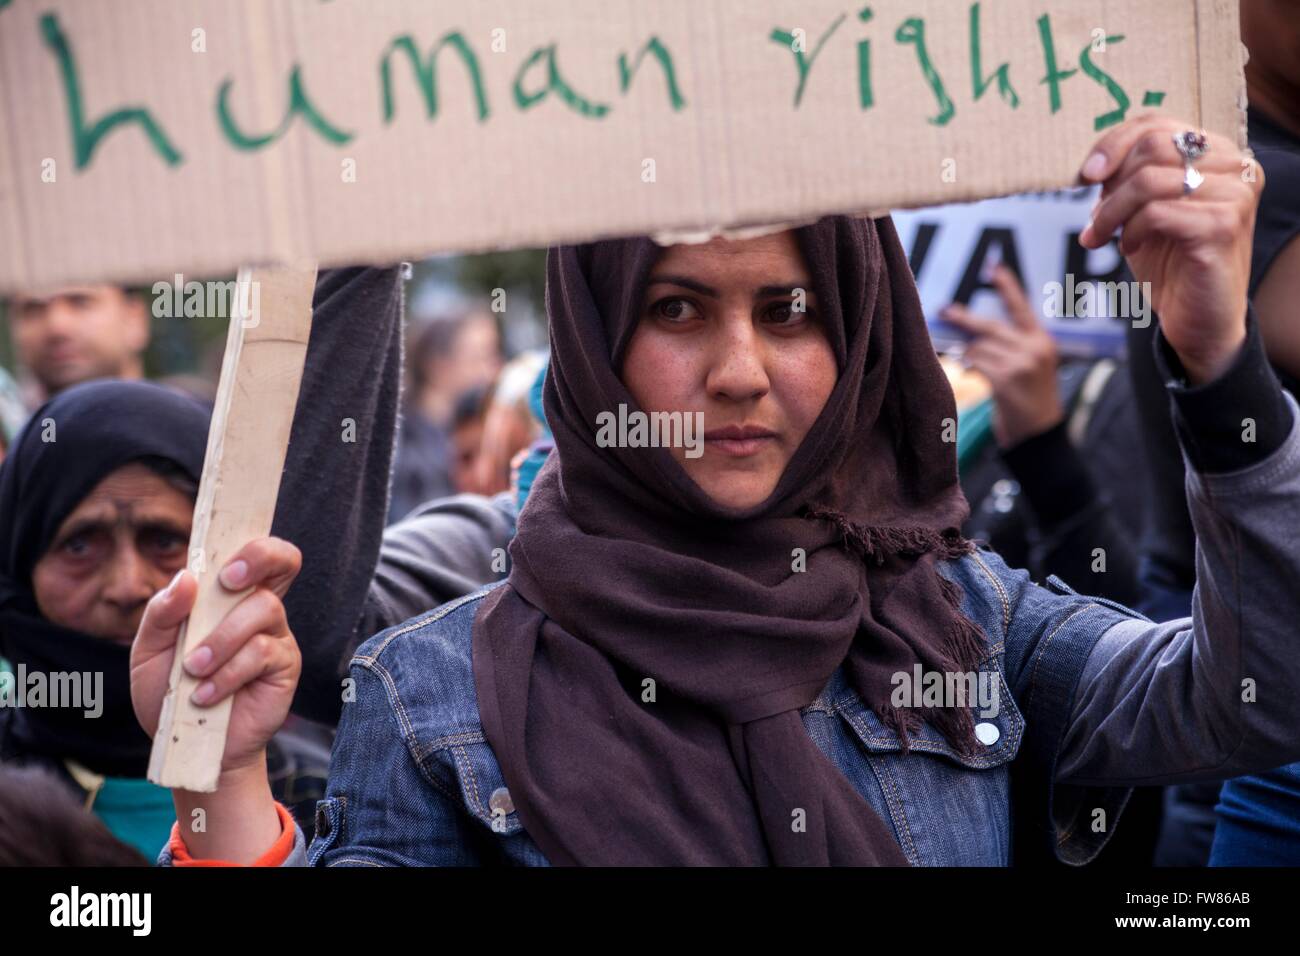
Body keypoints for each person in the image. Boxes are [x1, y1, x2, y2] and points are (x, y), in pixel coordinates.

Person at [138, 114, 1300, 867]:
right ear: (593, 345)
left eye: (789, 312)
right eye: (678, 308)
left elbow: (1253, 695)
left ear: (857, 338)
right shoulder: (434, 696)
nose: (740, 372)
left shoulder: (965, 623)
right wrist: (221, 784)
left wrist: (1217, 363)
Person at [388, 310, 503, 523]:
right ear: (438, 364)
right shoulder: (403, 448)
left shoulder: (468, 432)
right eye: (480, 357)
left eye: (495, 355)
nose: (494, 369)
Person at [6, 284, 150, 403]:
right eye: (34, 308)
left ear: (134, 319)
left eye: (80, 302)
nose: (56, 326)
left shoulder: (171, 428)